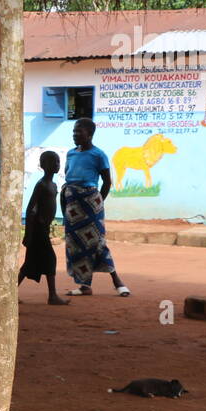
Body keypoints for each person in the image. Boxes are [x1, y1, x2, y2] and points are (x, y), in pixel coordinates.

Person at [61, 117, 131, 297]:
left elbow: (107, 181)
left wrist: (98, 202)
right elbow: (67, 178)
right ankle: (84, 286)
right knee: (75, 244)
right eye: (74, 132)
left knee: (97, 242)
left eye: (79, 131)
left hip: (91, 201)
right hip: (72, 203)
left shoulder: (99, 155)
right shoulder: (71, 153)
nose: (75, 135)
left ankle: (117, 281)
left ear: (90, 134)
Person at [18, 151, 69, 305]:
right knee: (49, 260)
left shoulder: (53, 185)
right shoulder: (41, 185)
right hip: (38, 230)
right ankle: (52, 296)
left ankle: (9, 292)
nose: (57, 164)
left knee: (29, 264)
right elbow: (30, 208)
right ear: (42, 165)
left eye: (58, 161)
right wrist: (28, 234)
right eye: (53, 161)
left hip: (44, 229)